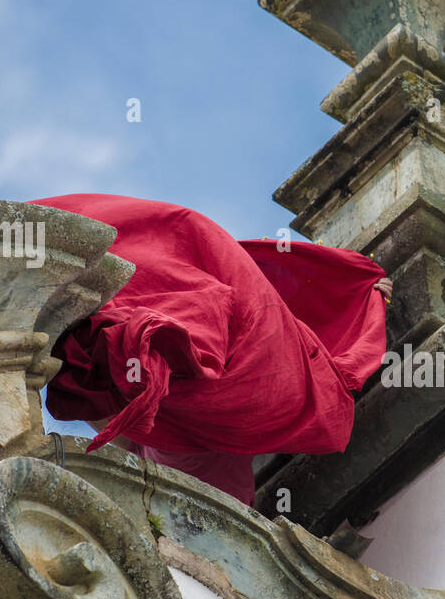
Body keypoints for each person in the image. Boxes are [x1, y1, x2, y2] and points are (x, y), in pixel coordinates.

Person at [33, 194, 391, 504]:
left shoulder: (151, 421)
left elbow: (280, 335)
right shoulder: (151, 416)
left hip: (188, 462)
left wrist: (360, 299)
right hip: (187, 458)